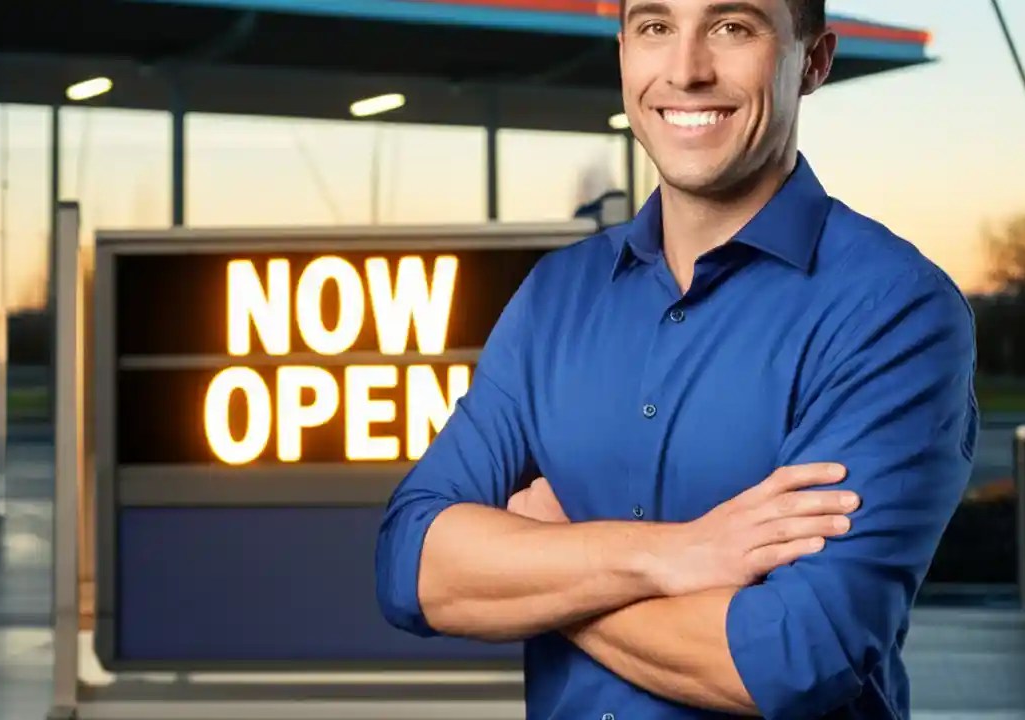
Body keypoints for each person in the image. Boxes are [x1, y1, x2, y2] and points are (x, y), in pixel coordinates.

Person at [375, 0, 979, 717]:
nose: (687, 70)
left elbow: (793, 657)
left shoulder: (892, 310)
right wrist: (665, 555)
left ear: (813, 61)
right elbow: (409, 567)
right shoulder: (555, 299)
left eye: (732, 27)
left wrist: (552, 565)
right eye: (656, 27)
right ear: (626, 52)